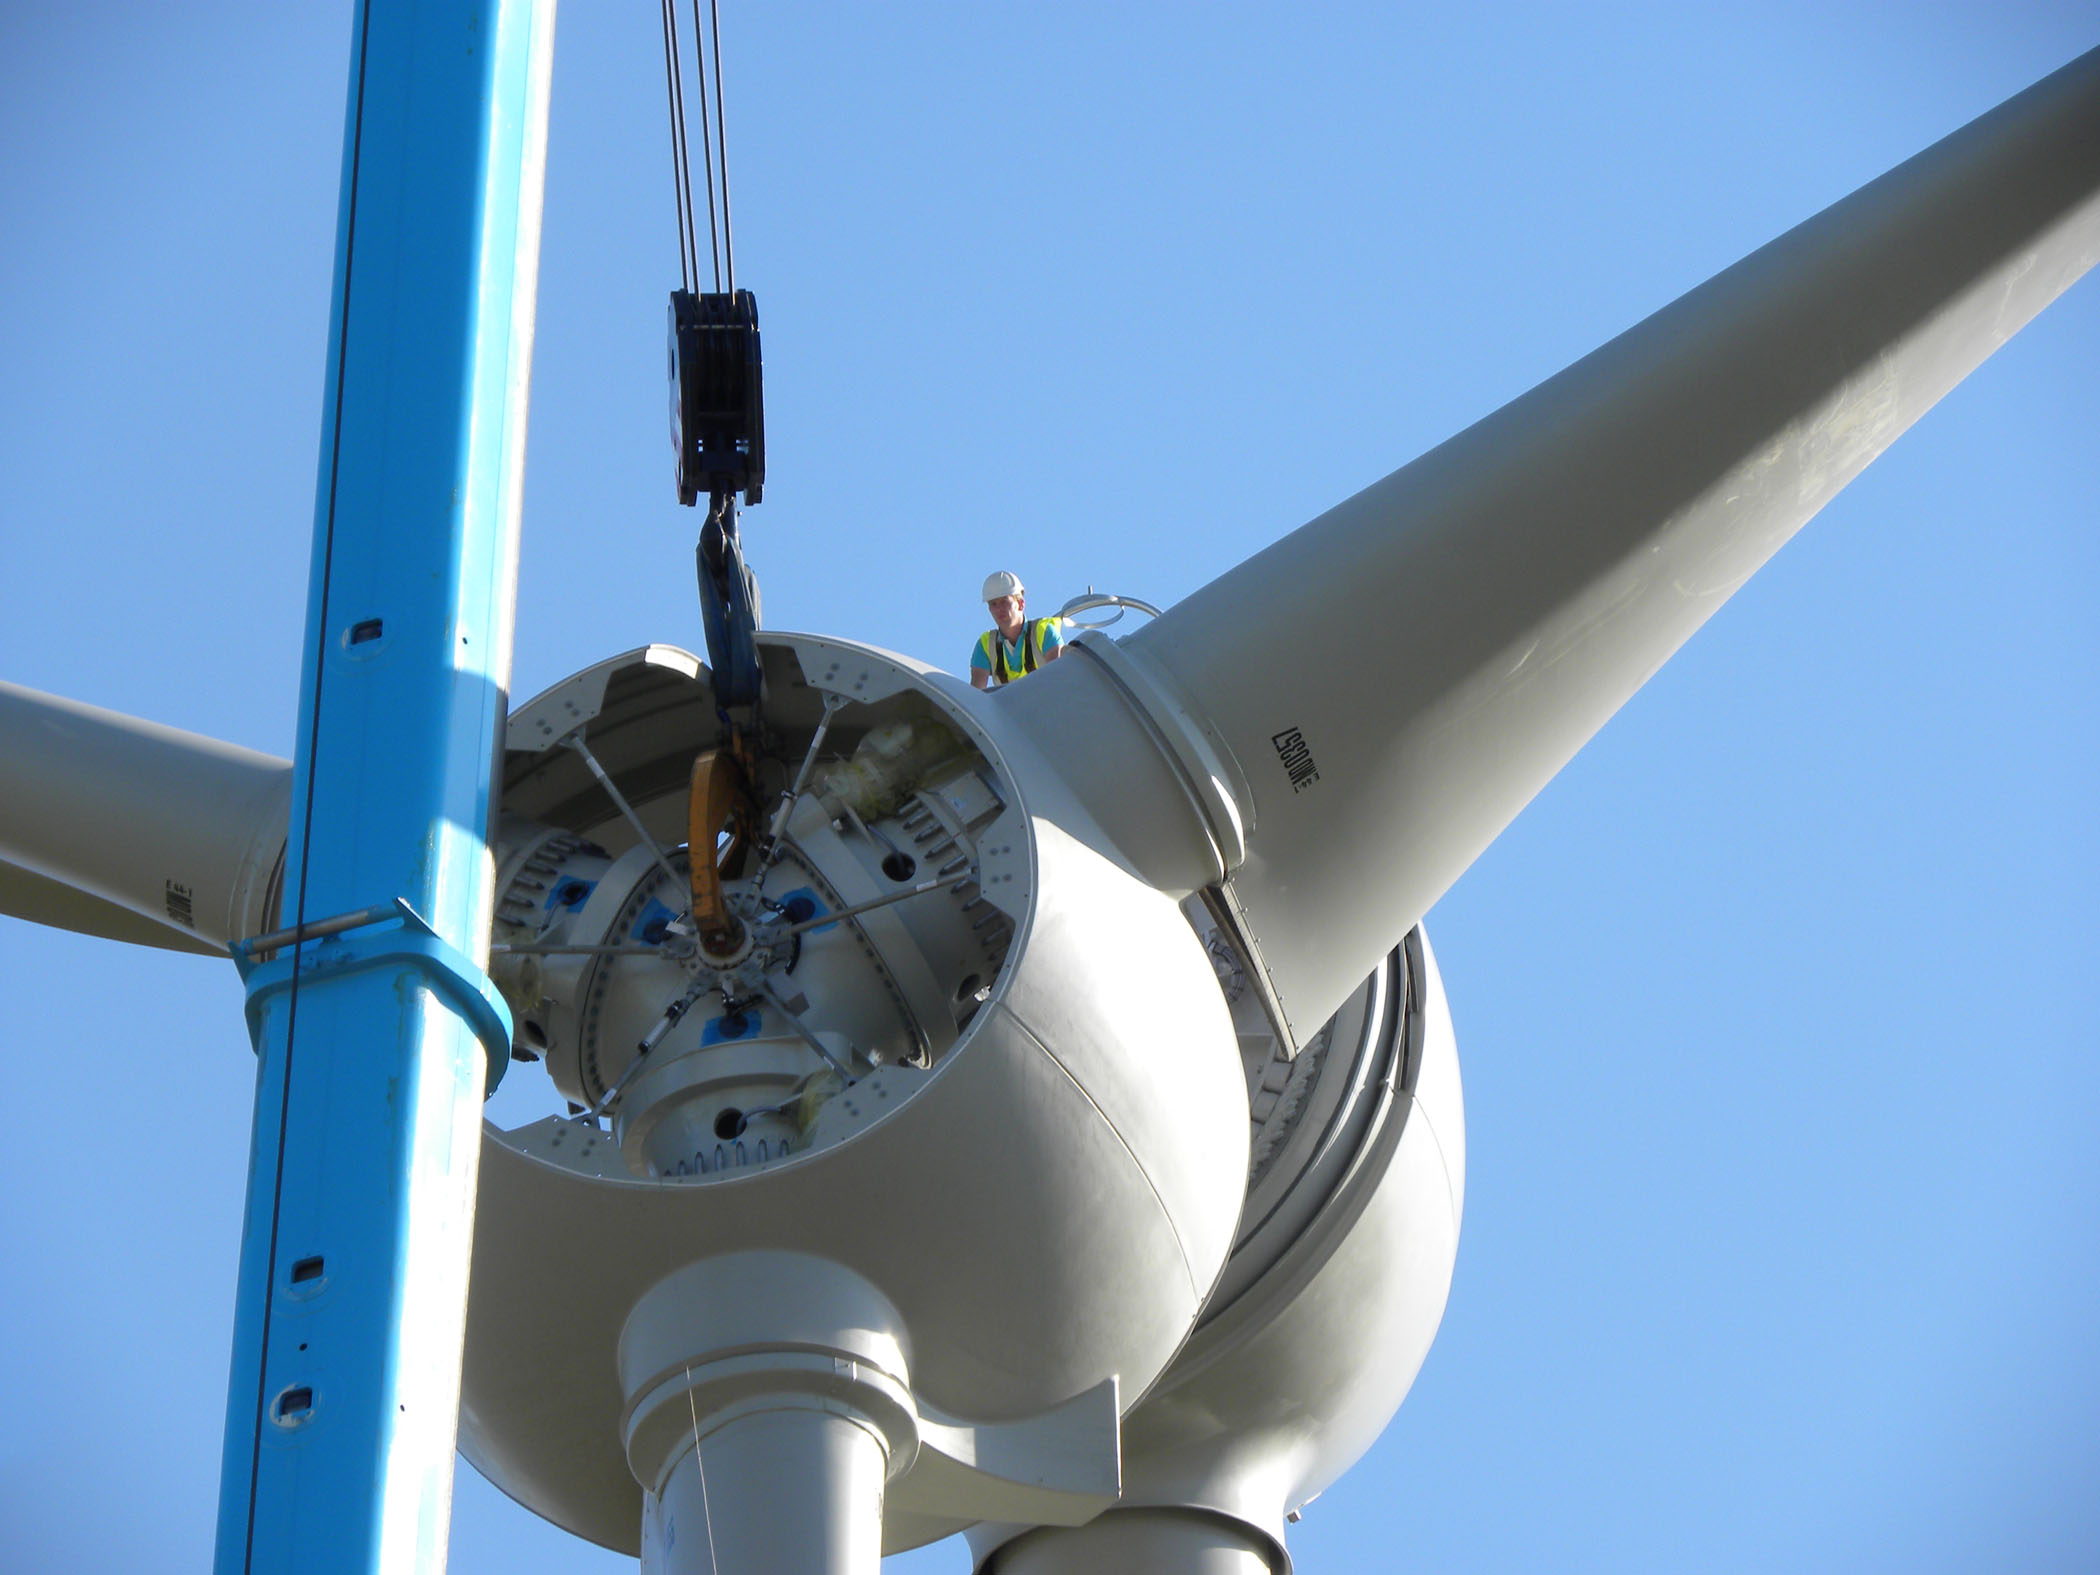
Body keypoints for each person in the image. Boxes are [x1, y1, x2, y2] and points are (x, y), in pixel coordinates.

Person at [969, 570, 1064, 688]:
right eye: (993, 604)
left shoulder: (1044, 632)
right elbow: (976, 693)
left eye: (1004, 602)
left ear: (1021, 604)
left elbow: (1058, 678)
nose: (999, 609)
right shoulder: (986, 644)